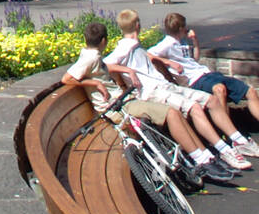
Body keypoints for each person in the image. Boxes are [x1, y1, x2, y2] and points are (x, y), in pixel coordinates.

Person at [61, 21, 237, 184]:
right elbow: (66, 78)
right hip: (118, 107)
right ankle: (201, 160)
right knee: (171, 113)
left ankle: (204, 157)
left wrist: (125, 70)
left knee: (175, 112)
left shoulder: (93, 55)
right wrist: (95, 83)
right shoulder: (90, 58)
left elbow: (104, 67)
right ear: (104, 41)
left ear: (86, 39)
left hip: (123, 102)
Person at [104, 9, 251, 172]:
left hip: (166, 86)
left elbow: (149, 55)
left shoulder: (135, 45)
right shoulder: (125, 47)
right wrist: (129, 72)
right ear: (138, 25)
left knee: (212, 100)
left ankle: (236, 140)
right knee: (194, 107)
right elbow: (106, 64)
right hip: (153, 92)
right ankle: (224, 150)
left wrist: (166, 62)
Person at [149, 13, 259, 147]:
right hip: (195, 80)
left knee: (249, 91)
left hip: (207, 73)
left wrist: (195, 42)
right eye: (185, 27)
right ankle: (230, 136)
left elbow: (195, 60)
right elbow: (148, 54)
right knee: (220, 89)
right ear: (181, 28)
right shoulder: (167, 43)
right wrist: (169, 63)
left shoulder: (182, 42)